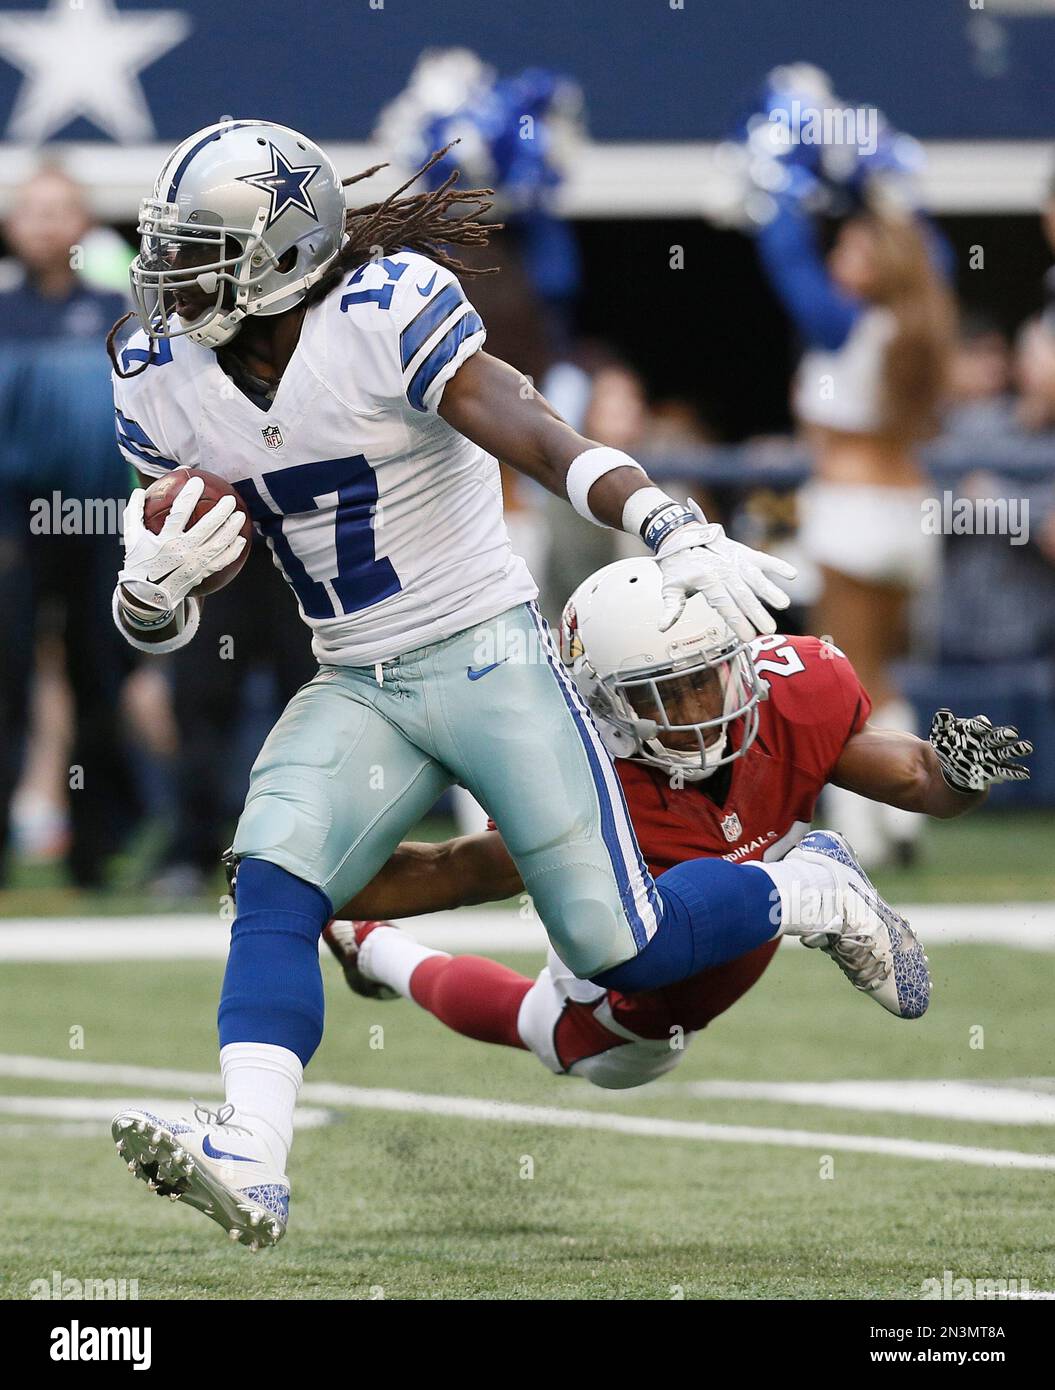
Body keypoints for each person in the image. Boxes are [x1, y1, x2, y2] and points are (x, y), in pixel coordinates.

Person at [105, 118, 919, 1251]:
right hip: (356, 677)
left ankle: (807, 889)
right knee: (273, 881)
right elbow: (171, 588)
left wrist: (663, 519)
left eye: (200, 252)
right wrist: (149, 596)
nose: (169, 275)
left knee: (622, 950)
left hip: (488, 656)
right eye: (169, 246)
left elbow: (530, 432)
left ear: (281, 254)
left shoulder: (381, 312)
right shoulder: (160, 377)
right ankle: (252, 1144)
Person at [320, 559, 1031, 1089]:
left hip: (730, 926)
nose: (696, 713)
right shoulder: (580, 780)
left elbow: (916, 777)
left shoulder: (788, 698)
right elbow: (456, 870)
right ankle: (371, 945)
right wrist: (310, 887)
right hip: (650, 966)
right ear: (599, 701)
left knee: (555, 1032)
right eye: (660, 694)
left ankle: (812, 889)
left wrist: (960, 774)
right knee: (571, 1041)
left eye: (704, 677)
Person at [755, 182, 957, 866]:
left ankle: (858, 832)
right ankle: (908, 815)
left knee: (839, 675)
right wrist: (892, 192)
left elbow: (787, 262)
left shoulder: (844, 325)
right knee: (881, 672)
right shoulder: (920, 321)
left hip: (852, 512)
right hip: (910, 515)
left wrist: (776, 191)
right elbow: (932, 257)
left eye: (849, 248)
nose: (837, 258)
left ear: (877, 264)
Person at [0, 166, 138, 887]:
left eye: (60, 211)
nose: (46, 224)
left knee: (99, 681)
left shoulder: (116, 313)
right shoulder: (3, 314)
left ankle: (95, 853)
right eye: (34, 211)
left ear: (83, 224)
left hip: (97, 527)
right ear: (13, 225)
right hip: (12, 533)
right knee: (7, 686)